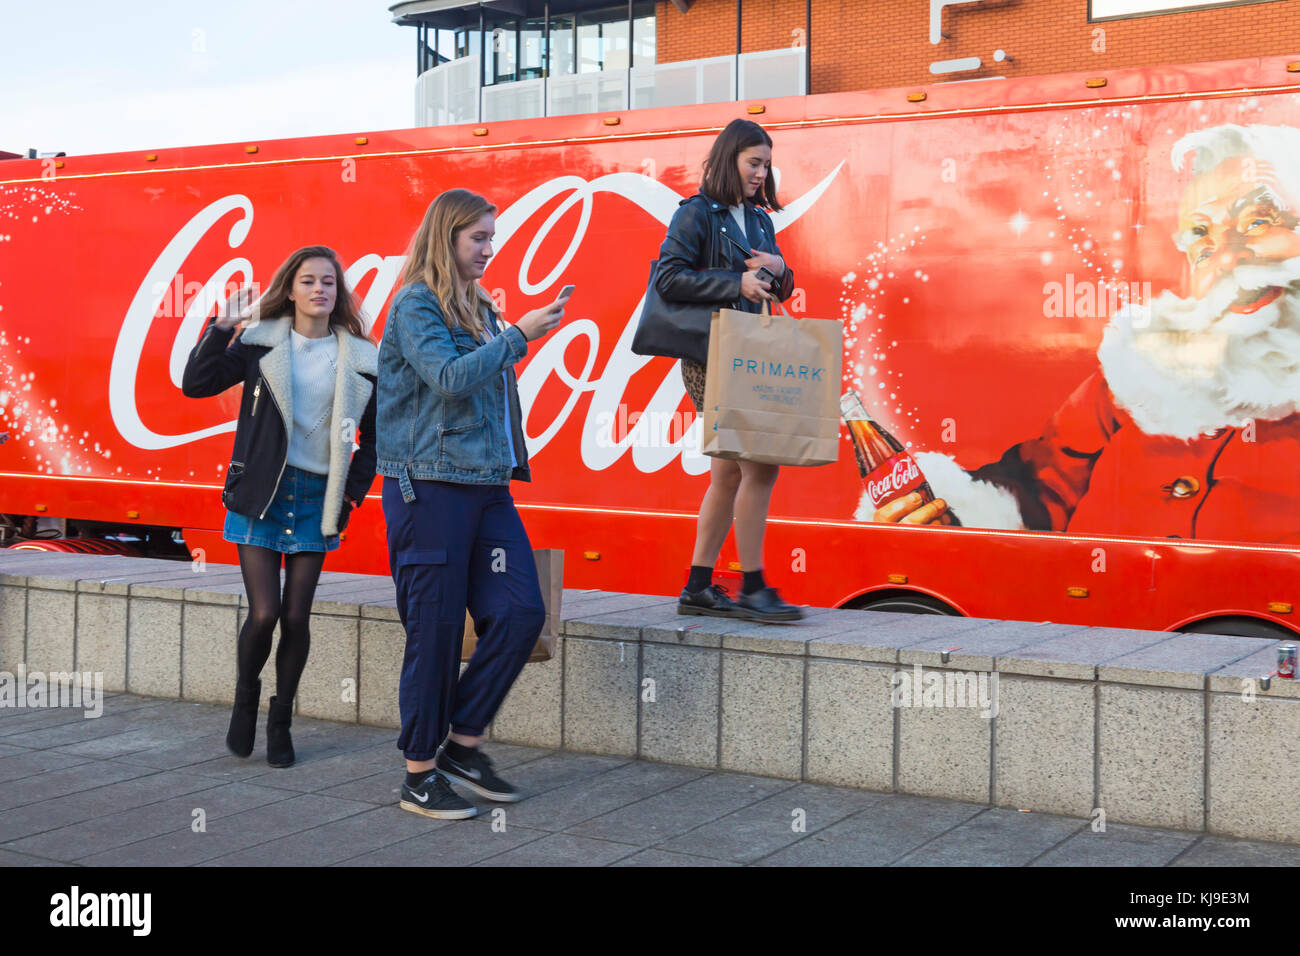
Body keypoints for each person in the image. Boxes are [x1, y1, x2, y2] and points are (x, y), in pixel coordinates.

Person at [870, 123, 1300, 544]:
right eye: (1201, 236)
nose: (1223, 260)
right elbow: (1042, 484)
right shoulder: (1143, 369)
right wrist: (948, 514)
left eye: (1258, 221)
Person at [377, 188, 568, 820]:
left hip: (487, 487)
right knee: (433, 634)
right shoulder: (414, 304)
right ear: (446, 237)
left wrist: (509, 335)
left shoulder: (480, 306)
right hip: (426, 487)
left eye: (492, 237)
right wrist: (520, 336)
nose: (490, 248)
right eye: (478, 238)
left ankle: (461, 743)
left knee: (519, 612)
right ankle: (419, 775)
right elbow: (451, 379)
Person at [182, 245, 378, 767]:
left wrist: (354, 493)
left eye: (329, 283)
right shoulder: (259, 343)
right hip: (261, 493)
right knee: (265, 612)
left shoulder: (360, 355)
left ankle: (281, 716)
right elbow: (196, 384)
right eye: (309, 281)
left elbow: (376, 436)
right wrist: (222, 326)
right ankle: (245, 699)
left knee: (297, 615)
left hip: (319, 496)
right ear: (289, 289)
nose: (320, 290)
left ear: (338, 293)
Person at [656, 118, 803, 622]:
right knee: (760, 463)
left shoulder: (760, 220)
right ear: (729, 160)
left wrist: (781, 273)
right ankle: (754, 585)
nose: (761, 173)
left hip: (750, 355)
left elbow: (776, 285)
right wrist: (732, 285)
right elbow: (668, 278)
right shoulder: (696, 214)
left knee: (728, 471)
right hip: (709, 356)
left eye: (766, 164)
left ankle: (698, 585)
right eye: (753, 163)